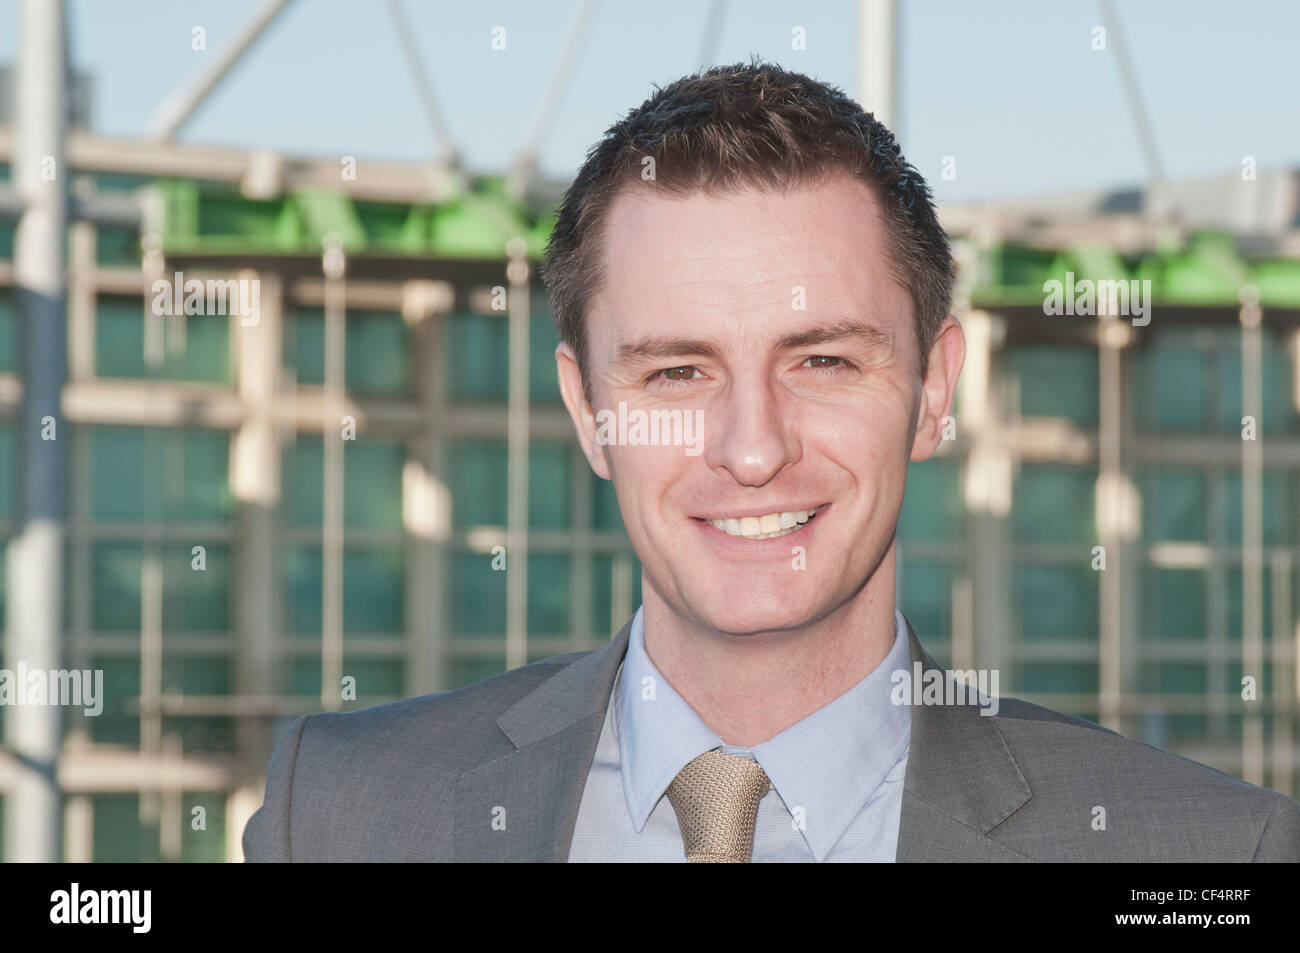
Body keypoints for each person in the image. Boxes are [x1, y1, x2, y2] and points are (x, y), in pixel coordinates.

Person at [243, 61, 1300, 862]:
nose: (752, 448)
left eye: (824, 359)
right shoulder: (340, 814)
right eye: (675, 374)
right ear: (587, 410)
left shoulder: (1206, 854)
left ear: (934, 390)